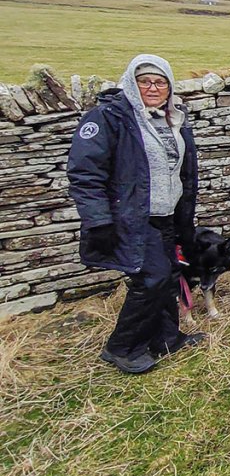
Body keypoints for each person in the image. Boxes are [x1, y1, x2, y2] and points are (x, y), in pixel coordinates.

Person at [67, 54, 204, 374]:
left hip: (166, 214)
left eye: (160, 82)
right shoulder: (110, 118)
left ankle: (166, 337)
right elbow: (85, 173)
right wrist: (98, 220)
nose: (153, 88)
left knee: (169, 275)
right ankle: (122, 347)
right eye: (144, 81)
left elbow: (182, 169)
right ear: (131, 82)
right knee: (151, 278)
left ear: (170, 87)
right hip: (133, 216)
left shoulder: (172, 117)